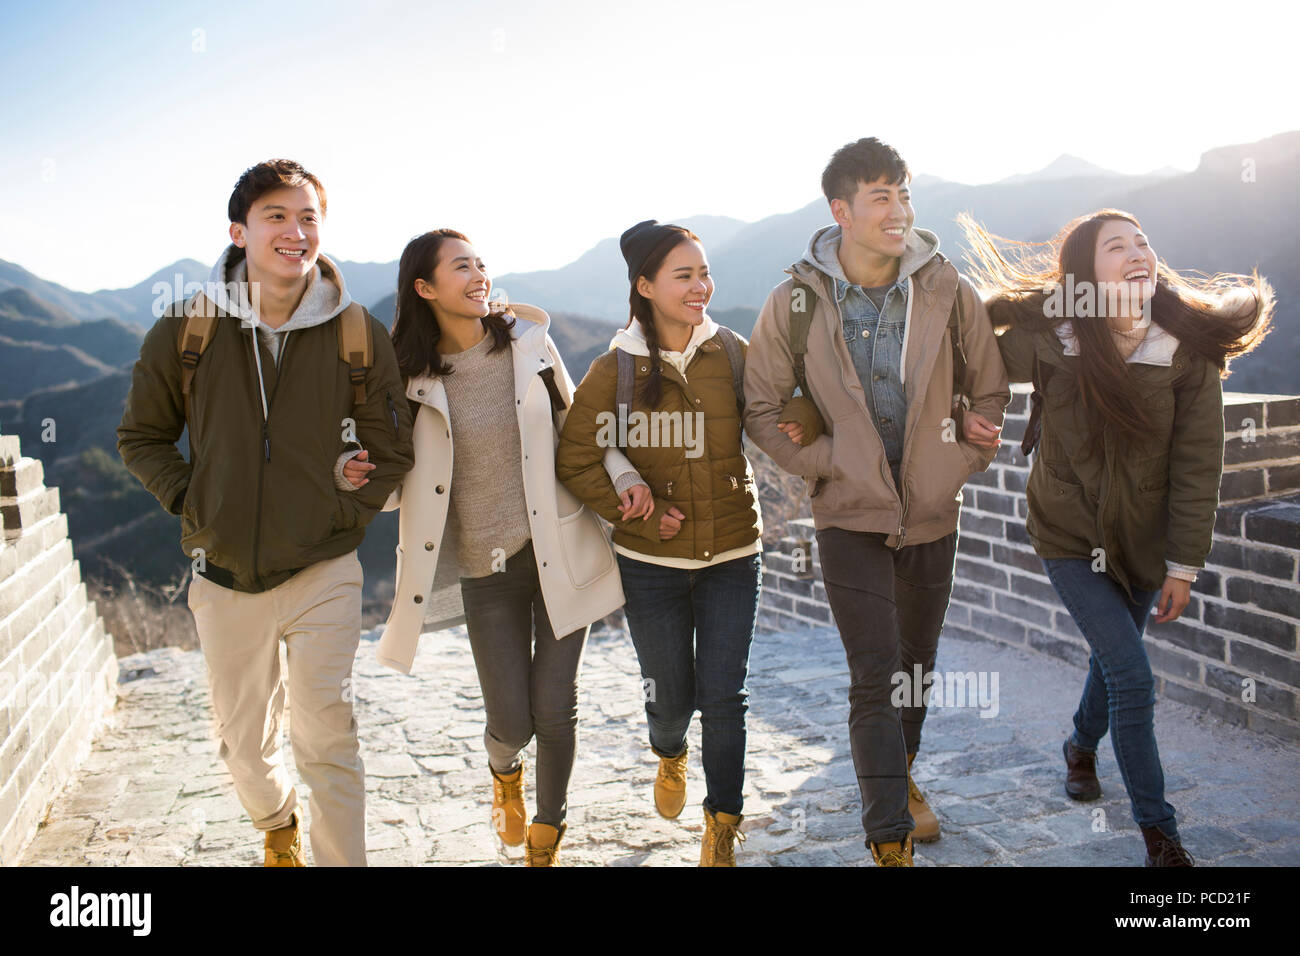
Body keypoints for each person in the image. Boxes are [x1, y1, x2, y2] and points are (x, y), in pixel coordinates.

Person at [117, 159, 415, 866]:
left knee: (327, 734)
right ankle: (275, 821)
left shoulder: (355, 332)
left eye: (308, 216)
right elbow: (141, 436)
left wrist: (348, 502)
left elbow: (394, 446)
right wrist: (195, 501)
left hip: (324, 567)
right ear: (239, 231)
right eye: (276, 216)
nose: (295, 231)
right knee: (243, 745)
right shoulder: (188, 328)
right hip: (222, 573)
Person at [961, 208, 1273, 866]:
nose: (1139, 252)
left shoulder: (1185, 352)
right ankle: (1161, 836)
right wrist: (970, 412)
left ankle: (1080, 745)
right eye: (1117, 246)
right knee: (1134, 675)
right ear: (1085, 271)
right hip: (1068, 535)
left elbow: (1197, 466)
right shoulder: (1054, 338)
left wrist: (1184, 566)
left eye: (1143, 241)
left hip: (1144, 543)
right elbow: (971, 363)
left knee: (1115, 662)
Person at [743, 138, 1010, 866]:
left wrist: (963, 459)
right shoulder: (795, 300)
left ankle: (904, 776)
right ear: (843, 210)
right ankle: (888, 833)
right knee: (874, 670)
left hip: (930, 512)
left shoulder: (946, 288)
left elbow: (989, 387)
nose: (900, 210)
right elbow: (760, 406)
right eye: (882, 197)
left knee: (915, 669)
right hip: (848, 515)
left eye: (905, 193)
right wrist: (824, 463)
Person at [353, 229, 637, 867]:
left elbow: (581, 429)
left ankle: (548, 832)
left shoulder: (531, 346)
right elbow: (400, 485)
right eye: (461, 267)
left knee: (555, 705)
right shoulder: (410, 380)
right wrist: (358, 471)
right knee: (512, 721)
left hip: (558, 551)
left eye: (482, 263)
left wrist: (622, 478)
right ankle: (504, 769)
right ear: (424, 289)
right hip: (487, 569)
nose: (479, 274)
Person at [556, 220, 822, 867]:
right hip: (651, 567)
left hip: (734, 552)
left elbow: (781, 405)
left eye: (704, 273)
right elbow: (575, 456)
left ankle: (721, 824)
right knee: (670, 696)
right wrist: (638, 515)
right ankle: (668, 753)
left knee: (725, 694)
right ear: (645, 286)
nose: (701, 286)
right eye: (685, 275)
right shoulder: (613, 371)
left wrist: (806, 413)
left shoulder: (730, 352)